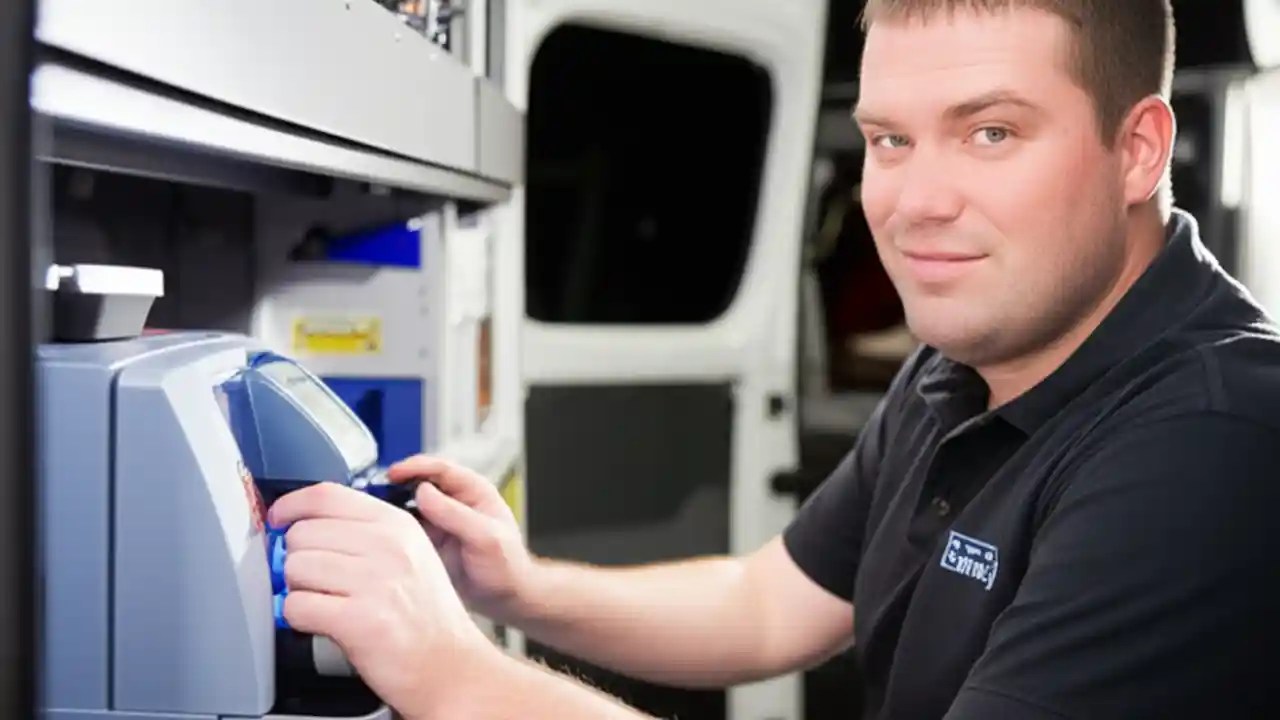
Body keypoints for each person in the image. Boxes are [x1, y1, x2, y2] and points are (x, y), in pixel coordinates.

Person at [266, 0, 1280, 717]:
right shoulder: (963, 362)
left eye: (989, 132)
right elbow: (765, 606)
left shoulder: (1214, 439)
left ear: (1137, 150)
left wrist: (446, 669)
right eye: (889, 140)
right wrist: (515, 589)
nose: (915, 204)